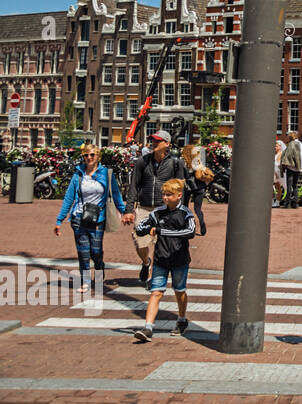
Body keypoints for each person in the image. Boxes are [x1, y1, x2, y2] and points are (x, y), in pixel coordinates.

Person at [54, 143, 127, 294]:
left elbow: (116, 195)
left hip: (97, 219)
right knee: (83, 252)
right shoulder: (78, 175)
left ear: (98, 156)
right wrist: (59, 220)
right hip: (79, 218)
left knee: (96, 251)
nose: (89, 158)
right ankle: (86, 281)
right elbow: (69, 198)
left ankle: (99, 270)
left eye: (92, 155)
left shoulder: (106, 174)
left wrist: (124, 212)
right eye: (86, 155)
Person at [132, 178, 196, 341]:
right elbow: (140, 228)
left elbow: (189, 232)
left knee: (179, 291)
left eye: (169, 195)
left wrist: (161, 231)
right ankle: (148, 328)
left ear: (179, 195)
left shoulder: (186, 213)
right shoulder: (157, 212)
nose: (165, 198)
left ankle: (182, 319)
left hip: (179, 259)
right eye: (164, 194)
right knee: (156, 292)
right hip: (161, 258)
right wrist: (145, 228)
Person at [123, 130, 187, 284]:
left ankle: (153, 277)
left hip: (164, 209)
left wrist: (180, 212)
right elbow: (134, 186)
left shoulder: (176, 163)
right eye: (153, 141)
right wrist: (129, 210)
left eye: (158, 141)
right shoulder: (142, 161)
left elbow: (180, 189)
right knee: (140, 241)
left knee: (161, 245)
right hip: (144, 208)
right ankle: (146, 262)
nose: (154, 143)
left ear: (167, 144)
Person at [181, 142, 209, 237]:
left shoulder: (184, 162)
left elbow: (185, 176)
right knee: (198, 209)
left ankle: (189, 225)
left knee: (185, 207)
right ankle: (202, 224)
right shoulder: (198, 161)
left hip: (188, 187)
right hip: (200, 187)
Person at [281, 131, 302, 209]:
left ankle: (288, 203)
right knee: (295, 185)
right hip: (298, 167)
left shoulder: (291, 144)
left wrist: (285, 162)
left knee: (289, 185)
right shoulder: (300, 143)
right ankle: (296, 202)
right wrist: (300, 167)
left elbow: (288, 155)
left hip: (291, 167)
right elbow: (301, 156)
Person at [273, 136, 285, 207]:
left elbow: (278, 164)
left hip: (277, 173)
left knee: (278, 188)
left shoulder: (281, 154)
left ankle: (277, 202)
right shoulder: (274, 154)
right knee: (270, 188)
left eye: (276, 146)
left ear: (280, 147)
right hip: (272, 172)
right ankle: (272, 200)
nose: (275, 147)